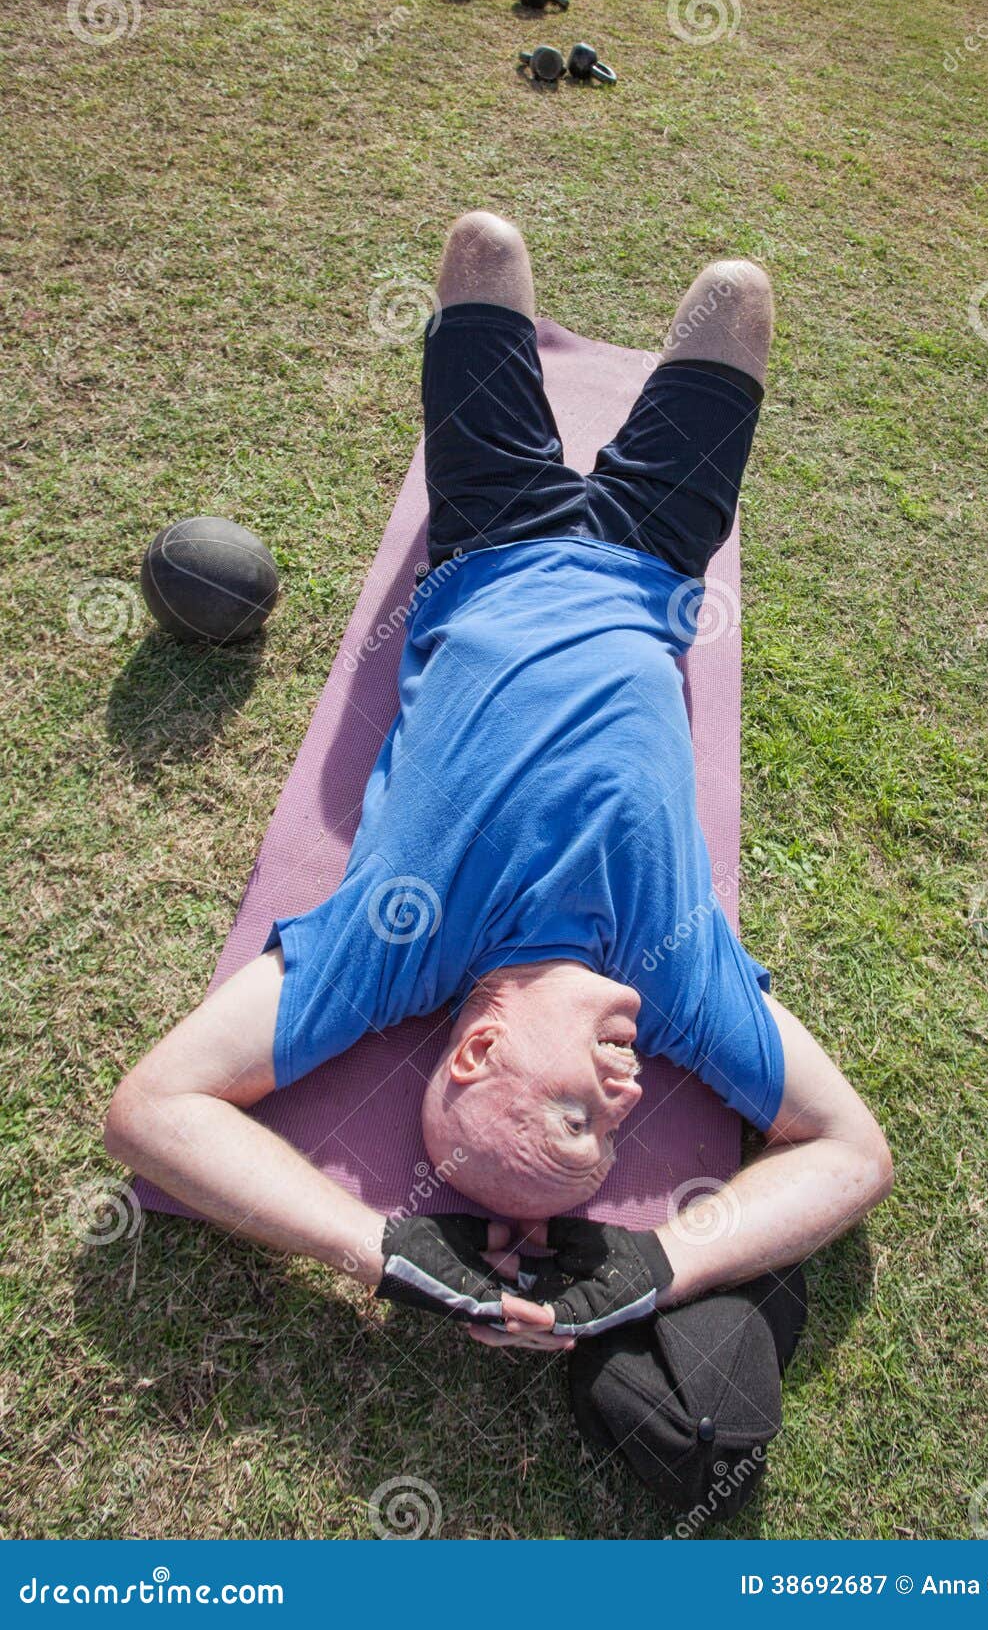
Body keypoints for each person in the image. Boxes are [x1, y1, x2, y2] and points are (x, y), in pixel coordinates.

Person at [105, 212, 892, 1352]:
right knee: (736, 291)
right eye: (609, 1140)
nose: (626, 1099)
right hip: (655, 557)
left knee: (483, 245)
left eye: (576, 1111)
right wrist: (660, 1262)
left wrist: (378, 1250)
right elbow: (849, 1153)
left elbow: (152, 1112)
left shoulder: (392, 948)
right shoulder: (671, 984)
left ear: (477, 1050)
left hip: (489, 534)